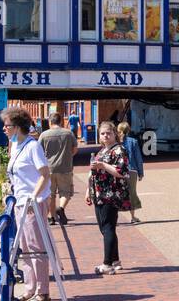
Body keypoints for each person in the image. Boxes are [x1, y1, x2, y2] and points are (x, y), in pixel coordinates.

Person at [2, 107, 54, 301]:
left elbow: (44, 174)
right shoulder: (16, 146)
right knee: (24, 247)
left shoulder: (32, 146)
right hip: (20, 202)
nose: (4, 129)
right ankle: (30, 288)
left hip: (33, 204)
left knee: (36, 247)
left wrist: (34, 196)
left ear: (17, 127)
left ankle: (43, 291)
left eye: (7, 126)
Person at [85, 121, 129, 275]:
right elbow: (93, 170)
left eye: (108, 133)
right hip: (99, 193)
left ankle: (107, 263)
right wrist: (88, 190)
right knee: (106, 228)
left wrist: (103, 166)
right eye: (102, 133)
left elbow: (121, 172)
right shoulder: (102, 150)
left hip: (111, 193)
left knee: (107, 227)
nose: (105, 136)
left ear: (114, 134)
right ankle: (115, 260)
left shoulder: (119, 150)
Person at [38, 113, 78, 226]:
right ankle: (61, 208)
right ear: (61, 121)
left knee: (50, 194)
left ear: (50, 122)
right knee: (66, 192)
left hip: (48, 168)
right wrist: (68, 156)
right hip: (65, 167)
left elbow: (39, 151)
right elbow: (75, 149)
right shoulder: (69, 133)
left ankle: (51, 217)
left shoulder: (44, 135)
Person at [117, 121, 144, 224]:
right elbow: (138, 158)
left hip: (118, 170)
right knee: (131, 193)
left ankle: (115, 217)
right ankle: (132, 217)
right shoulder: (133, 141)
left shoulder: (116, 142)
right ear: (128, 131)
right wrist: (141, 173)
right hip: (132, 170)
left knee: (118, 193)